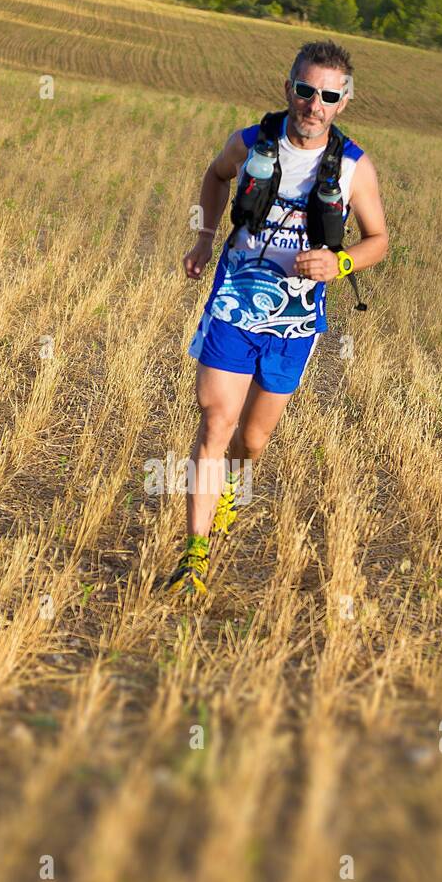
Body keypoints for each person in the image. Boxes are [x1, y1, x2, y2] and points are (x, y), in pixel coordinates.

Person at [161, 38, 389, 599]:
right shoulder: (250, 142)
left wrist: (338, 262)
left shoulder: (355, 167)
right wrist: (204, 238)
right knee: (215, 424)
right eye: (306, 90)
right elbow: (216, 177)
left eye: (328, 95)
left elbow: (379, 241)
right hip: (234, 306)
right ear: (288, 88)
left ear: (343, 102)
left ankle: (234, 490)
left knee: (253, 442)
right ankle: (194, 556)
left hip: (294, 324)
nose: (314, 104)